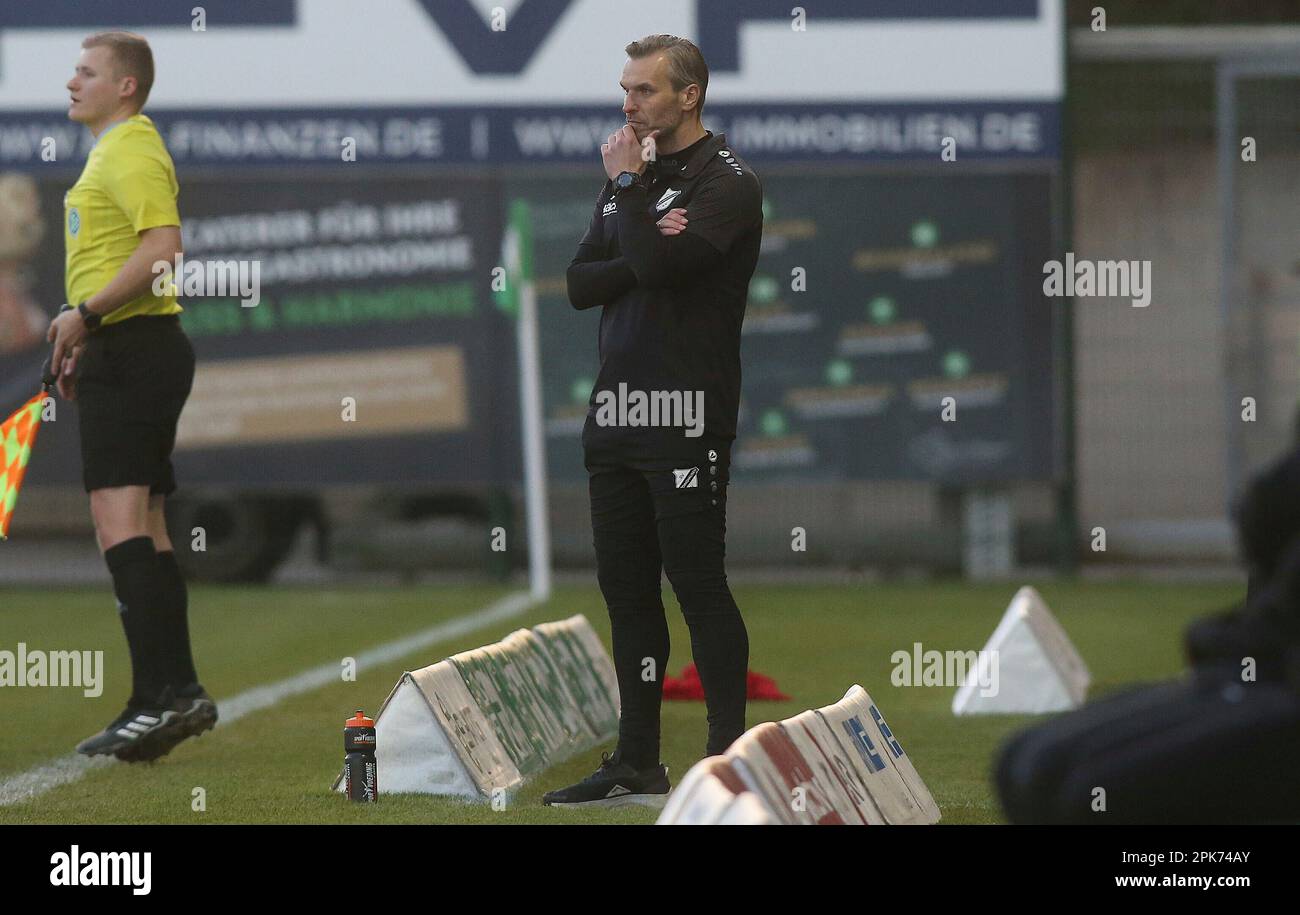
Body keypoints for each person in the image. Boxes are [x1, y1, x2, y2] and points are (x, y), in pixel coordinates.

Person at [543, 34, 764, 807]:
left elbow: (667, 271)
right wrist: (641, 236)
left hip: (686, 415)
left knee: (697, 584)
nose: (628, 104)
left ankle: (729, 762)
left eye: (643, 91)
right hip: (616, 414)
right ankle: (637, 759)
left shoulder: (725, 182)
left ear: (688, 96)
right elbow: (578, 282)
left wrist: (635, 202)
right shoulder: (627, 182)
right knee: (626, 592)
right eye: (626, 88)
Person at [47, 31, 216, 763]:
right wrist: (89, 331)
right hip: (129, 347)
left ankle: (160, 699)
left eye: (86, 71)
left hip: (137, 349)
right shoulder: (110, 150)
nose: (70, 82)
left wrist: (85, 316)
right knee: (142, 522)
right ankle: (175, 693)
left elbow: (164, 246)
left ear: (125, 86)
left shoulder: (131, 146)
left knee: (120, 522)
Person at [995, 443, 1300, 823]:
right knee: (1028, 763)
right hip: (1264, 664)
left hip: (1280, 680)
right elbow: (1266, 507)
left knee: (1086, 788)